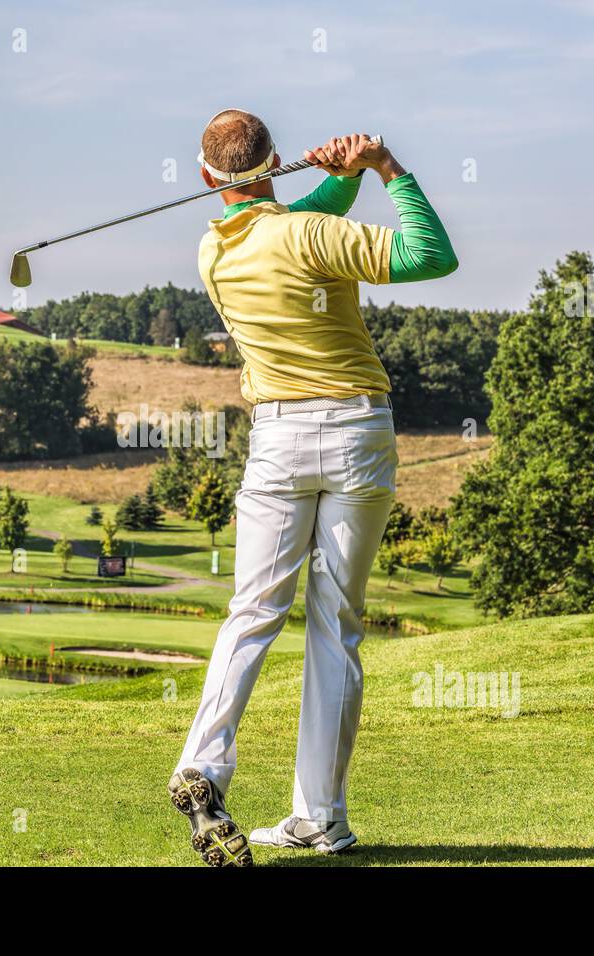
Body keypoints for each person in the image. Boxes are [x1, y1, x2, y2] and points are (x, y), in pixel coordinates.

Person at [167, 110, 457, 866]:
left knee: (253, 611)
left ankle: (202, 767)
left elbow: (284, 222)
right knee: (335, 625)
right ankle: (320, 818)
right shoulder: (314, 235)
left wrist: (341, 177)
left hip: (278, 441)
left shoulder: (214, 250)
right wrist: (385, 168)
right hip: (357, 432)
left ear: (206, 177)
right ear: (273, 163)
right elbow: (433, 254)